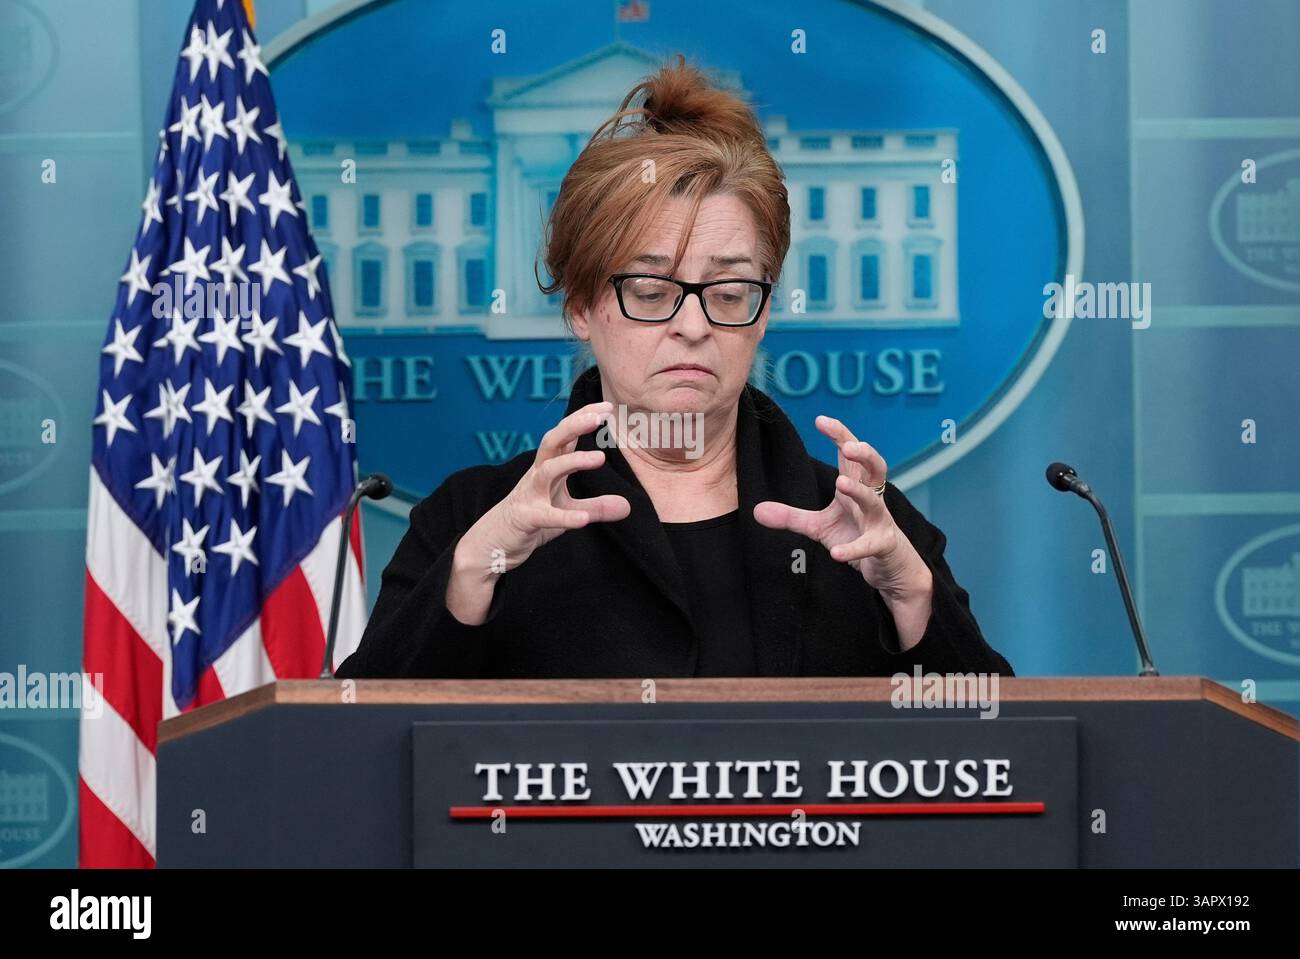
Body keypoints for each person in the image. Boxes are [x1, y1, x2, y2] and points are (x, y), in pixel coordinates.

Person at [335, 54, 1013, 680]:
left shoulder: (861, 525)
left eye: (728, 293)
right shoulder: (471, 518)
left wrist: (912, 597)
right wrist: (470, 578)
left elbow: (1005, 765)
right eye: (653, 292)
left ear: (765, 310)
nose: (693, 325)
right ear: (581, 306)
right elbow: (356, 762)